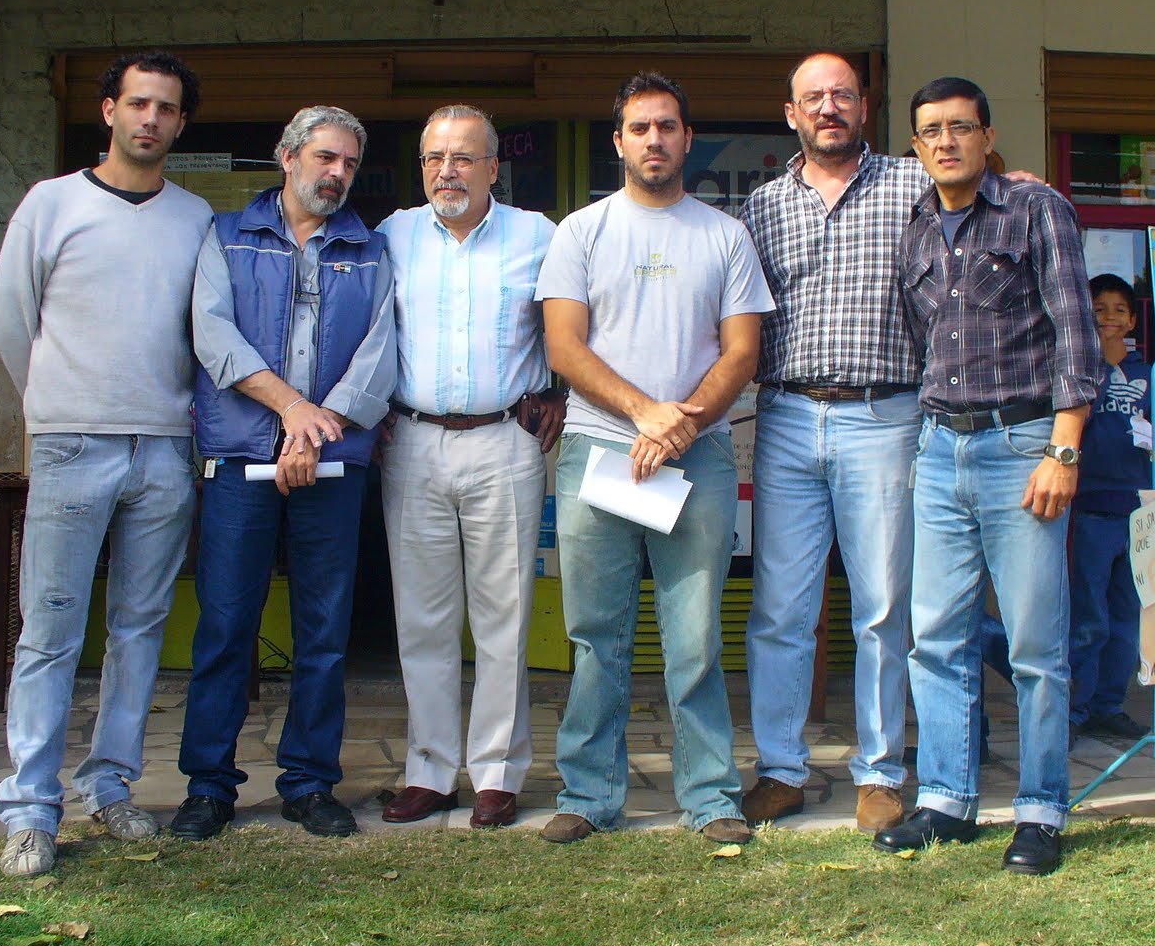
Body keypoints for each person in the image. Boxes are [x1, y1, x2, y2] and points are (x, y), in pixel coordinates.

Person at [536, 71, 775, 846]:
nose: (654, 139)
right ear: (618, 142)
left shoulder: (724, 234)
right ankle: (589, 793)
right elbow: (563, 346)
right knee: (594, 633)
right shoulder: (581, 231)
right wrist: (645, 413)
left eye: (668, 126)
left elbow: (743, 350)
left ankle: (710, 799)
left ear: (686, 138)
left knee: (696, 635)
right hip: (599, 456)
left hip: (696, 459)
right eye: (640, 128)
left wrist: (682, 424)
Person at [0, 50, 212, 877]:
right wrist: (54, 407)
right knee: (49, 633)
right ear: (109, 110)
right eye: (138, 103)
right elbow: (15, 327)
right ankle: (30, 809)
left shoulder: (194, 218)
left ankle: (111, 786)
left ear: (182, 123)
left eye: (167, 108)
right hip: (72, 442)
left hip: (163, 447)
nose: (150, 119)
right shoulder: (50, 205)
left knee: (139, 629)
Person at [876, 76, 1100, 877]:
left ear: (987, 136)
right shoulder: (914, 232)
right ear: (915, 147)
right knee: (935, 639)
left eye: (961, 127)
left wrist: (1063, 446)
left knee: (1037, 645)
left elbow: (1078, 334)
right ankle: (945, 800)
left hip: (1022, 450)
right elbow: (924, 345)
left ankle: (1041, 811)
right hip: (940, 452)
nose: (946, 141)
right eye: (931, 130)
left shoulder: (1038, 211)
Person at [171, 106, 395, 842]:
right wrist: (293, 411)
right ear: (288, 156)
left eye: (350, 165)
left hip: (332, 464)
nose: (337, 175)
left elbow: (380, 352)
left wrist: (316, 429)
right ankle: (209, 786)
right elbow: (213, 334)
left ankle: (309, 781)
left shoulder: (370, 247)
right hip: (240, 459)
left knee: (324, 631)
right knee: (227, 625)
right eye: (325, 158)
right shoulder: (226, 235)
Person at [738, 52, 932, 833]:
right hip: (785, 417)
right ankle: (782, 769)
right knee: (780, 608)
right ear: (791, 113)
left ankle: (880, 773)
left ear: (864, 106)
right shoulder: (760, 207)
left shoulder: (914, 187)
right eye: (813, 98)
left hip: (885, 416)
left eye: (842, 95)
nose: (828, 108)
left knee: (883, 607)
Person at [375, 105, 564, 830]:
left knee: (503, 614)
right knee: (422, 616)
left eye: (462, 157)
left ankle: (496, 772)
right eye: (432, 158)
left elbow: (579, 319)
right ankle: (427, 769)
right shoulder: (392, 236)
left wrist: (561, 391)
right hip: (413, 440)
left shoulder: (538, 235)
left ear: (493, 167)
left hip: (504, 440)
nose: (445, 171)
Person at [1068, 273, 1152, 743]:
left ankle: (1108, 706)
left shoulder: (1149, 375)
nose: (1109, 318)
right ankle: (1076, 710)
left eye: (1119, 310)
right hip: (1092, 510)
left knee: (1127, 618)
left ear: (1133, 319)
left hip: (1140, 512)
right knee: (1089, 618)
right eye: (1100, 309)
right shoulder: (1079, 369)